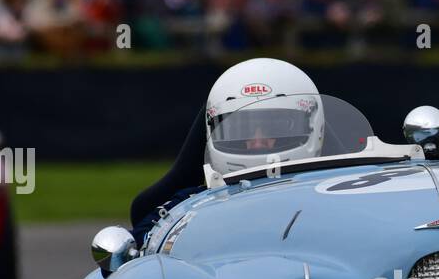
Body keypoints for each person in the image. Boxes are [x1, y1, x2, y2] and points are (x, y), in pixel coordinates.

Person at [129, 57, 324, 240]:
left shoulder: (335, 193)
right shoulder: (193, 203)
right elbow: (136, 243)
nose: (258, 142)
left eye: (275, 127)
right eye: (242, 129)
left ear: (314, 126)